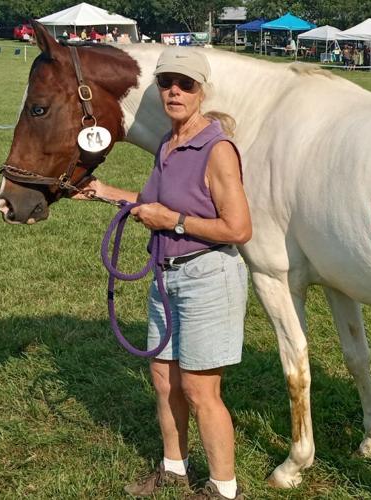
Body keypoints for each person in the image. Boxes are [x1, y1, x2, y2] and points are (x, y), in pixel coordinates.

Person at [76, 47, 252, 498]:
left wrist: (172, 222)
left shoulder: (217, 149)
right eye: (166, 83)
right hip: (166, 276)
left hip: (207, 276)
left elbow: (238, 228)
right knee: (163, 379)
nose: (174, 91)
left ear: (201, 91)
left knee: (199, 390)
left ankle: (223, 487)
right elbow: (152, 201)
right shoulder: (167, 146)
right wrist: (102, 191)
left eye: (185, 84)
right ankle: (174, 467)